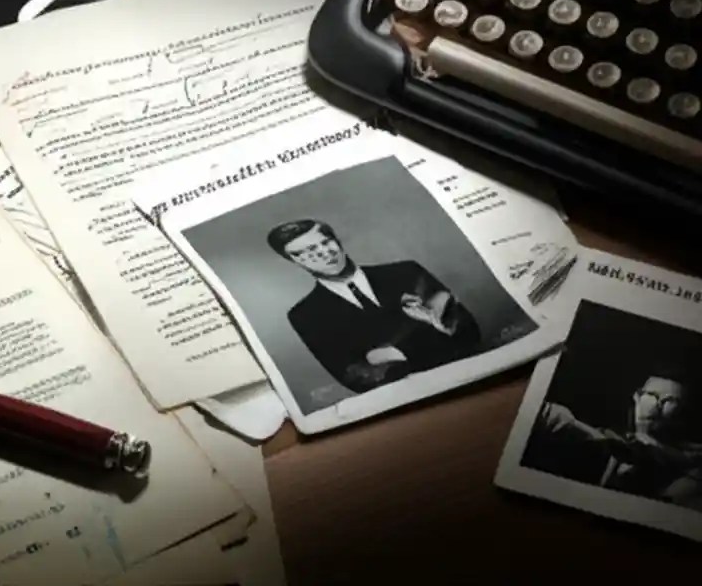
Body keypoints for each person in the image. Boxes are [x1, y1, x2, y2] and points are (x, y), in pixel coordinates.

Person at [268, 218, 482, 393]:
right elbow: (355, 378)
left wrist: (393, 353)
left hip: (473, 377)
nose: (323, 253)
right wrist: (430, 335)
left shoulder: (407, 272)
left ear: (337, 241)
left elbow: (468, 332)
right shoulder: (305, 315)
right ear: (293, 261)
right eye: (306, 251)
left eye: (326, 242)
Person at [531, 370, 702, 509]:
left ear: (681, 416)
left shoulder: (692, 468)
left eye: (670, 401)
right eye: (651, 395)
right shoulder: (606, 439)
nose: (657, 405)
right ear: (637, 397)